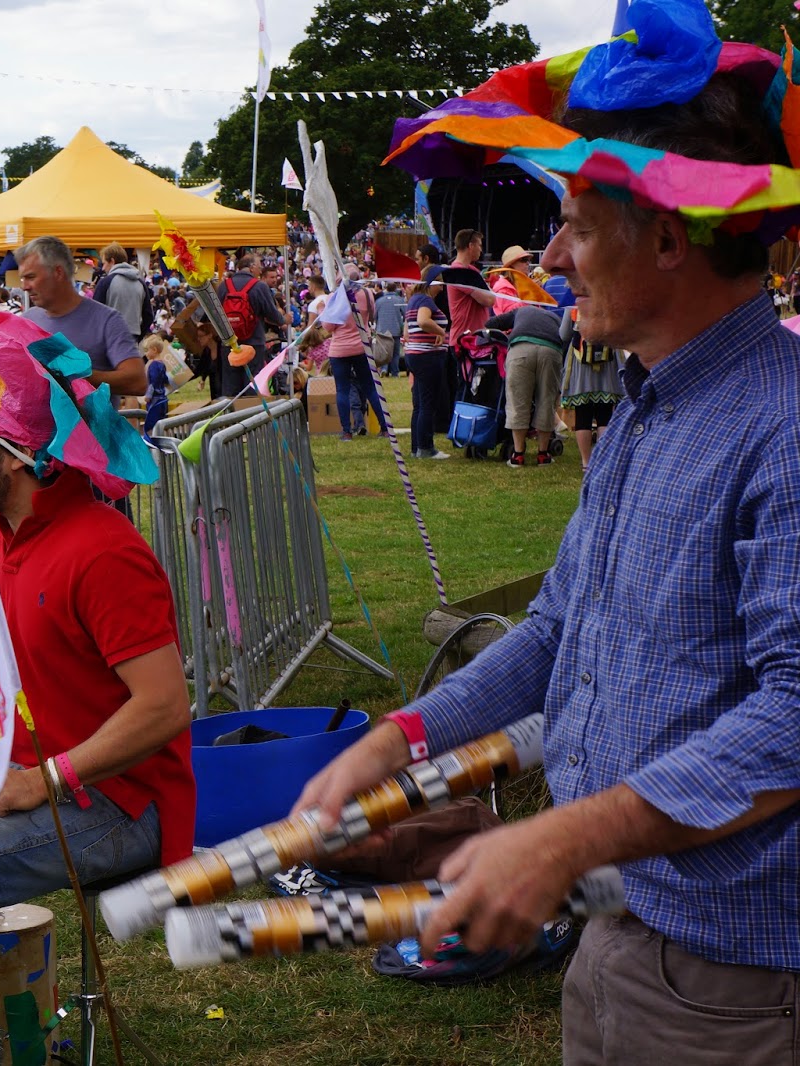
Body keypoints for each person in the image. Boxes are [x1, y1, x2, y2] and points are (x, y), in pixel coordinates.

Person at [306, 19, 800, 1062]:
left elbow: (794, 715)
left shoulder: (784, 426)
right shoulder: (642, 408)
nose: (558, 258)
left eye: (576, 225)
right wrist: (399, 740)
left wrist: (563, 834)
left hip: (742, 980)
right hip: (622, 930)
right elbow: (559, 627)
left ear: (669, 237)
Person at [0, 317, 193, 1063]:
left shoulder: (103, 552)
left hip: (121, 800)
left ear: (19, 457)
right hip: (28, 776)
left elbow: (163, 707)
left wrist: (43, 780)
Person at [18, 236, 145, 394]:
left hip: (90, 419)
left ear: (58, 272)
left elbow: (137, 382)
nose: (24, 286)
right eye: (22, 278)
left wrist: (76, 378)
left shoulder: (107, 320)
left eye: (31, 277)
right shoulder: (26, 321)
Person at [486, 301, 563, 467]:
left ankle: (518, 454)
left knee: (517, 402)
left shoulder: (520, 311)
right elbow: (564, 335)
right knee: (546, 401)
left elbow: (491, 323)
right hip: (551, 351)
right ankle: (543, 454)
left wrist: (507, 333)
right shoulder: (555, 317)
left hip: (520, 349)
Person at [557, 307, 623, 475]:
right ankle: (602, 460)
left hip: (581, 366)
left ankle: (586, 462)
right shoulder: (609, 304)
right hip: (607, 364)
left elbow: (564, 335)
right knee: (605, 414)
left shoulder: (574, 307)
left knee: (583, 415)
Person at [326, 263, 385, 440]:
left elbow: (329, 327)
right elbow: (371, 316)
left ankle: (346, 431)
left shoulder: (334, 298)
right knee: (370, 387)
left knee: (342, 390)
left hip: (339, 349)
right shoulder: (367, 294)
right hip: (362, 346)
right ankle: (384, 427)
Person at [213, 252, 284, 396]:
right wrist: (283, 319)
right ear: (251, 267)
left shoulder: (223, 286)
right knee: (252, 384)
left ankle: (232, 416)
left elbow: (216, 314)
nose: (260, 270)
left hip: (229, 343)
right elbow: (273, 315)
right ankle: (250, 415)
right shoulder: (259, 287)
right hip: (254, 342)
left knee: (230, 386)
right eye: (259, 266)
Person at [403, 280, 452, 459]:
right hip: (428, 356)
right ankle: (426, 447)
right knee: (428, 404)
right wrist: (441, 332)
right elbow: (423, 321)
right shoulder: (426, 300)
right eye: (440, 281)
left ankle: (417, 447)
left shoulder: (413, 300)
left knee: (419, 404)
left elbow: (407, 330)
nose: (443, 285)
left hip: (415, 355)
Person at [445, 229, 496, 351]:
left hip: (474, 339)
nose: (481, 249)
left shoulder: (471, 271)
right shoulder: (458, 272)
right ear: (470, 246)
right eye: (479, 245)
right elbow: (489, 300)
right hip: (465, 341)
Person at [92, 242, 148, 339]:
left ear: (112, 261)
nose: (103, 268)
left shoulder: (105, 282)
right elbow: (148, 315)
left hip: (110, 338)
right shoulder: (140, 283)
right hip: (132, 338)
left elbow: (95, 314)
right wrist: (137, 336)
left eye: (104, 263)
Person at [372, 282, 406, 376]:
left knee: (384, 351)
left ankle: (384, 369)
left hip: (382, 330)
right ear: (395, 289)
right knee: (395, 353)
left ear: (386, 288)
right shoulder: (399, 300)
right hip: (395, 330)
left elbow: (375, 315)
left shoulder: (379, 301)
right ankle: (395, 372)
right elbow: (405, 314)